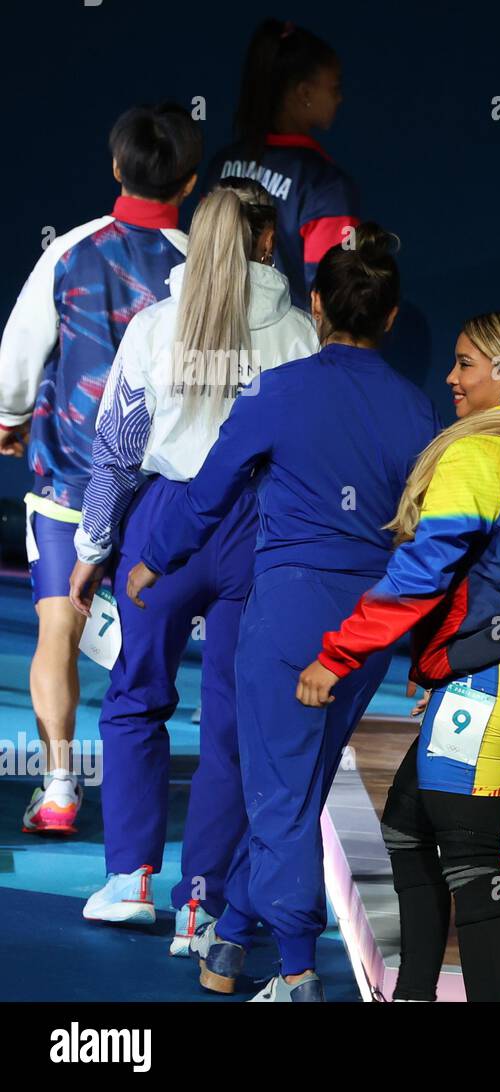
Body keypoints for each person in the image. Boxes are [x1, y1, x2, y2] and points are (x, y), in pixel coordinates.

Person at [127, 224, 438, 1002]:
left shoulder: (281, 390)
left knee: (281, 793)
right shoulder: (415, 409)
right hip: (372, 627)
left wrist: (153, 556)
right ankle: (232, 937)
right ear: (392, 319)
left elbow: (208, 488)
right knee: (293, 784)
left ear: (316, 303)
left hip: (291, 621)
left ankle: (298, 971)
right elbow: (433, 538)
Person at [297, 312, 500, 1002]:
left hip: (486, 691)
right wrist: (449, 670)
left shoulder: (476, 455)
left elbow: (421, 576)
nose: (452, 379)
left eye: (466, 365)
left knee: (474, 875)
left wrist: (337, 656)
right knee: (405, 830)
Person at [68, 179, 318, 952]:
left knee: (134, 699)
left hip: (162, 527)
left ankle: (128, 881)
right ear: (268, 241)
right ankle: (201, 903)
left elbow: (115, 448)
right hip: (258, 532)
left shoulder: (152, 325)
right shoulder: (301, 334)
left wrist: (92, 548)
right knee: (232, 722)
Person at [0, 103, 200, 835]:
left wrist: (11, 419)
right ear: (192, 179)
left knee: (59, 628)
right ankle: (141, 792)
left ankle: (58, 790)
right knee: (145, 642)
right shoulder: (203, 268)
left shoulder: (71, 250)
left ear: (117, 169)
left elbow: (18, 354)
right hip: (158, 488)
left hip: (70, 477)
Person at [202, 17, 359, 308]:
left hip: (215, 342)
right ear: (305, 94)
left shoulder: (220, 165)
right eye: (334, 87)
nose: (339, 98)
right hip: (291, 349)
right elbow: (333, 298)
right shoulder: (326, 185)